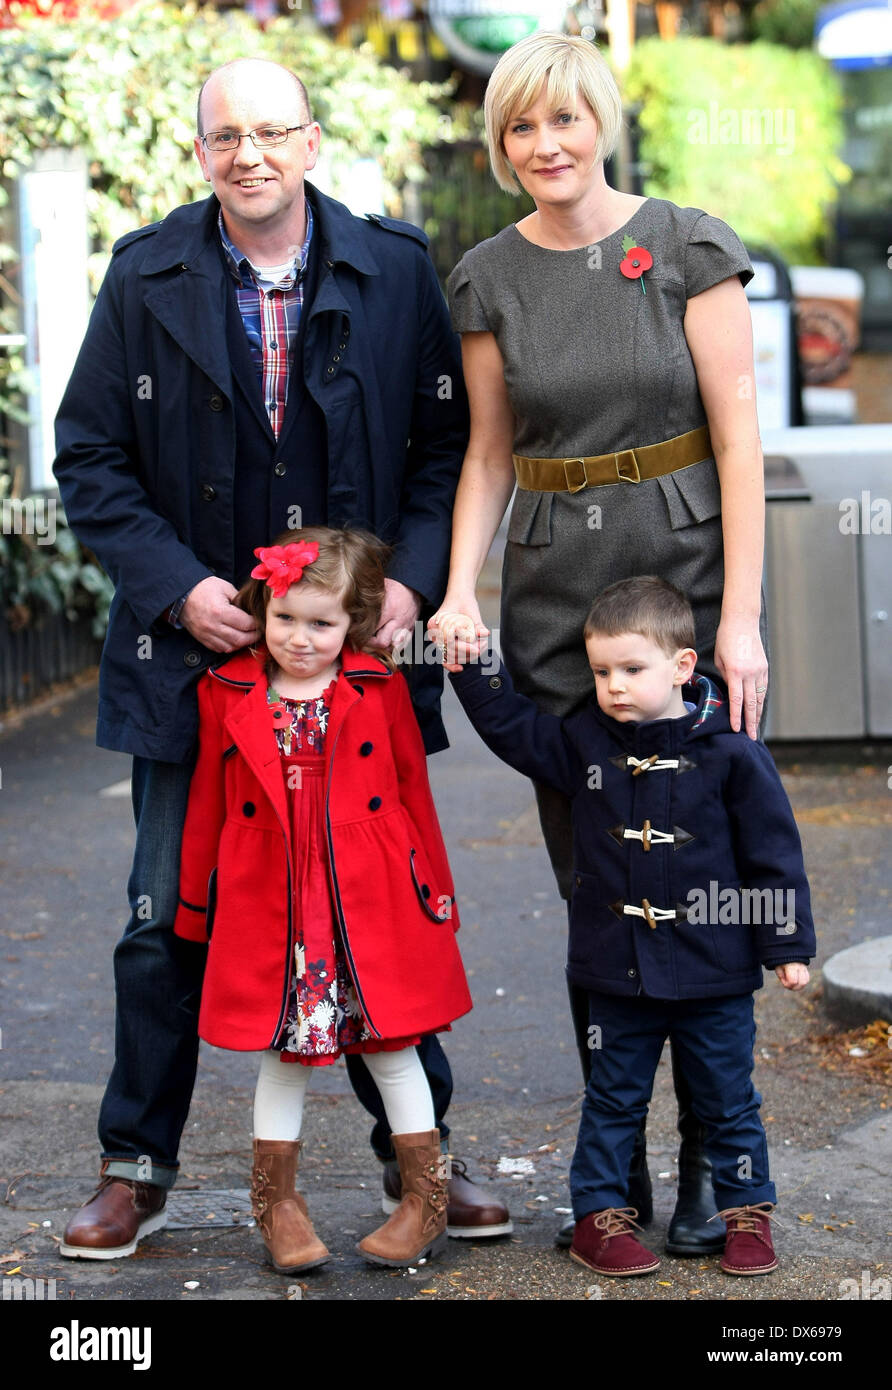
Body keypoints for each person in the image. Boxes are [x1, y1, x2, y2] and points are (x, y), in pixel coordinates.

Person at [54, 56, 509, 1260]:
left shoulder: (395, 269)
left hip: (353, 670)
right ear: (199, 152)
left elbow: (443, 450)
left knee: (372, 913)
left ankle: (423, 1162)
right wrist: (179, 586)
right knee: (166, 917)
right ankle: (133, 1168)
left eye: (270, 132)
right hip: (187, 666)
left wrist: (406, 583)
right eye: (224, 137)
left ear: (309, 141)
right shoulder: (143, 274)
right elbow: (89, 458)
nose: (247, 154)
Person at [429, 31, 768, 1253]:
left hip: (682, 585)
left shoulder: (685, 245)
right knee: (603, 894)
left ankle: (709, 1166)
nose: (544, 146)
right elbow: (484, 453)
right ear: (501, 142)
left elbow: (737, 437)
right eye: (520, 128)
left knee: (701, 894)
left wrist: (740, 622)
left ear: (600, 120)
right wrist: (459, 589)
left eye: (563, 120)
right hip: (554, 608)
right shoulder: (483, 276)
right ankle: (610, 1170)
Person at [447, 576, 815, 1276]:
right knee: (613, 1099)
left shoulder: (732, 749)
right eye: (601, 671)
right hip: (615, 972)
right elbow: (512, 730)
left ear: (682, 666)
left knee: (728, 1103)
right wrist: (468, 661)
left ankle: (746, 1216)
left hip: (717, 971)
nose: (613, 686)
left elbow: (773, 852)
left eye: (631, 670)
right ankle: (600, 1218)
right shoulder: (587, 740)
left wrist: (787, 946)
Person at [172, 528, 472, 1270]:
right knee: (286, 1052)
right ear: (262, 611)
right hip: (274, 902)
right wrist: (193, 906)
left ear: (355, 624)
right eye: (284, 619)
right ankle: (278, 1207)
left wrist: (434, 891)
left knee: (393, 1045)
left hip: (367, 898)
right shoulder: (227, 691)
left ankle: (424, 1200)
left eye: (321, 623)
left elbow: (412, 793)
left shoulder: (379, 687)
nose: (299, 640)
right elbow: (206, 806)